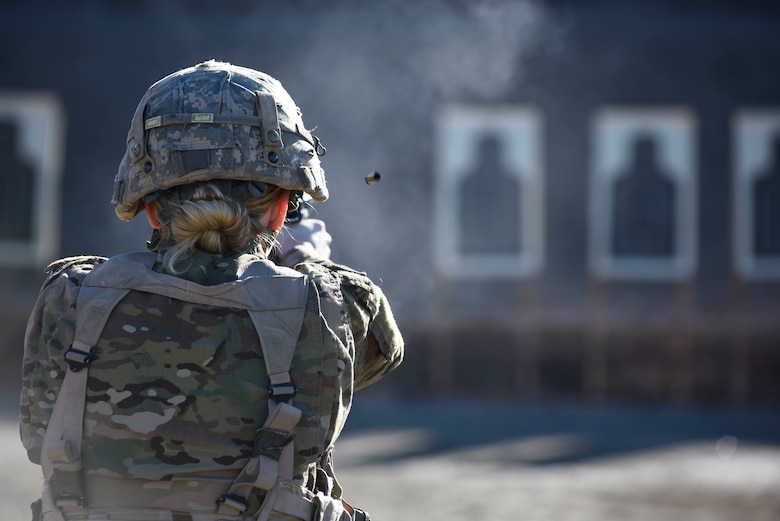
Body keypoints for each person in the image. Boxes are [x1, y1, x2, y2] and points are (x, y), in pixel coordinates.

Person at [20, 60, 404, 521]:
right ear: (281, 212)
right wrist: (307, 265)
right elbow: (379, 355)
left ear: (153, 210)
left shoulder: (71, 302)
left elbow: (38, 433)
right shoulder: (330, 308)